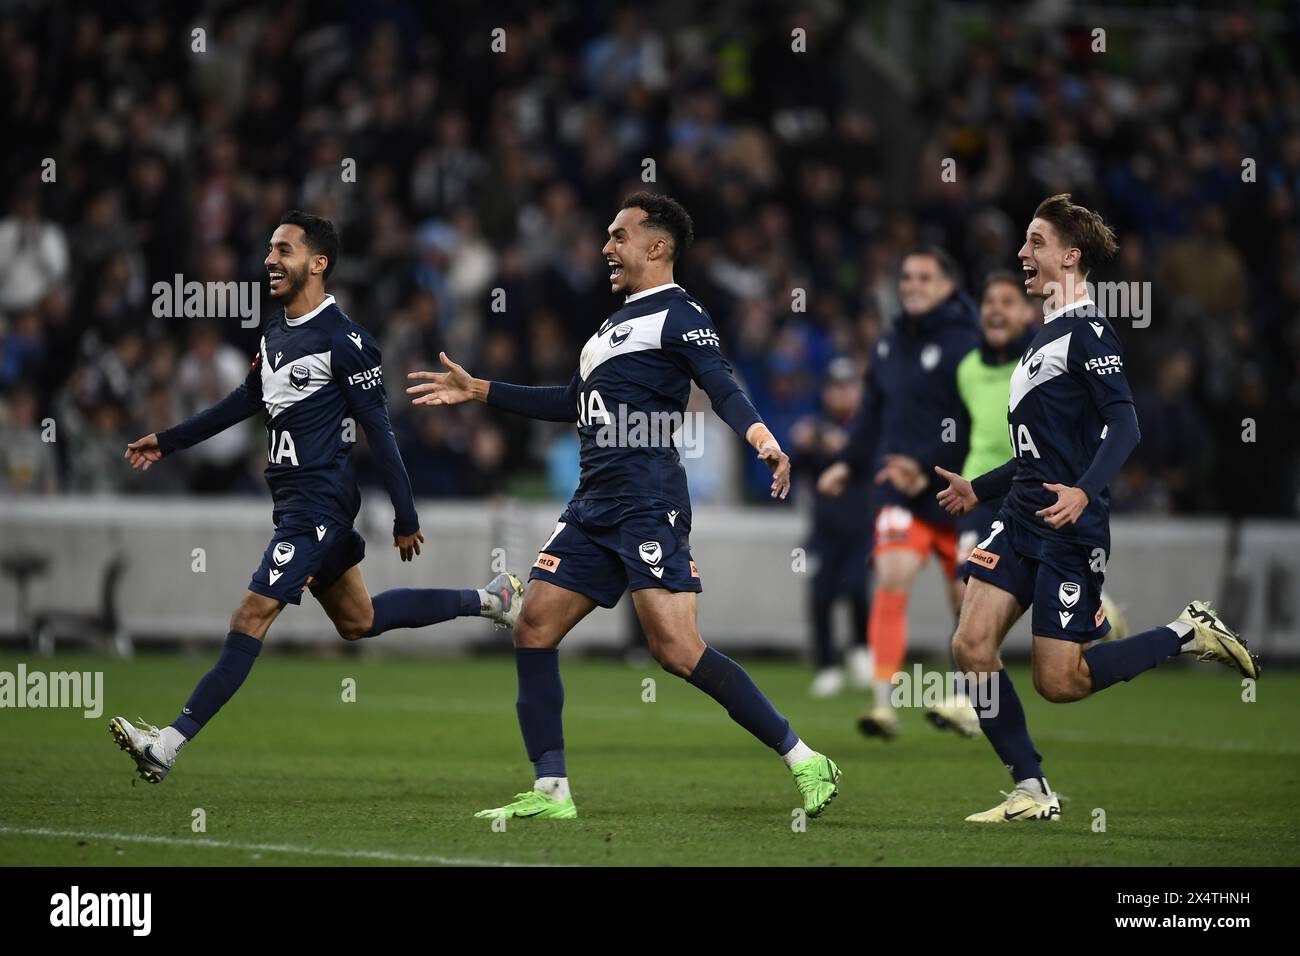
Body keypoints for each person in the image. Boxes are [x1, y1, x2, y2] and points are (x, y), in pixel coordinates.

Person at [407, 192, 841, 820]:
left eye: (619, 236)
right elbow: (573, 403)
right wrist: (482, 390)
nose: (607, 247)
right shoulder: (611, 327)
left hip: (645, 499)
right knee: (532, 626)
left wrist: (761, 436)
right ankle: (552, 792)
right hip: (593, 503)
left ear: (657, 246)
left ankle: (805, 758)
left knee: (677, 649)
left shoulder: (680, 315)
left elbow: (719, 383)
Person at [110, 211, 522, 784]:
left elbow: (379, 431)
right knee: (359, 619)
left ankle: (168, 744)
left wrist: (406, 514)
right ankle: (491, 600)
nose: (269, 260)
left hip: (318, 506)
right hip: (295, 505)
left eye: (283, 250)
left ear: (317, 263)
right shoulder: (275, 334)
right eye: (268, 250)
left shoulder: (345, 341)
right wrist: (170, 440)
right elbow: (240, 402)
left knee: (251, 615)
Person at [935, 194, 1259, 822]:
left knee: (1060, 682)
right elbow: (1037, 453)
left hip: (1068, 527)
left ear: (1070, 256)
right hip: (1020, 515)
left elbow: (1126, 426)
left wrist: (1084, 490)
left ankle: (1186, 631)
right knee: (971, 645)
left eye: (1035, 242)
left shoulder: (1088, 331)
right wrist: (981, 488)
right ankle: (1031, 790)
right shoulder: (1043, 338)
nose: (1022, 254)